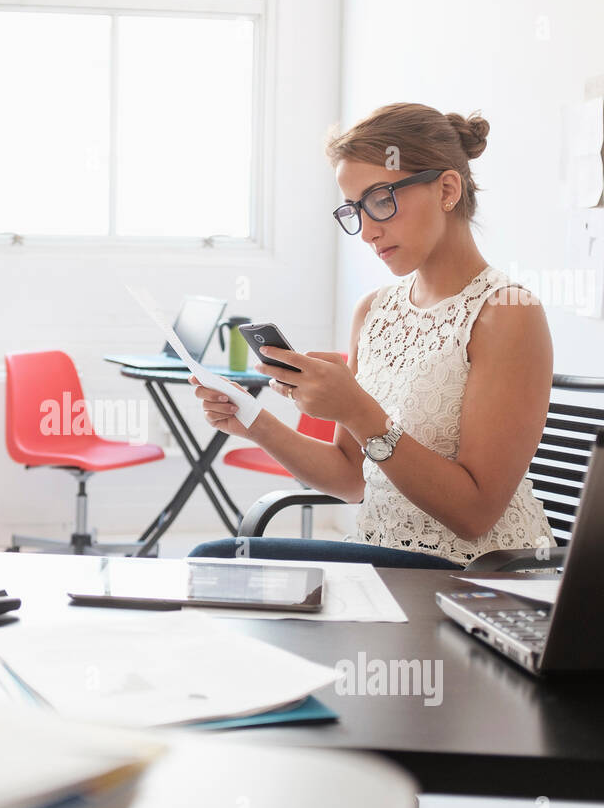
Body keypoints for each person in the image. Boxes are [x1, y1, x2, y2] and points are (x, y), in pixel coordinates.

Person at [189, 102, 556, 569]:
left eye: (381, 201)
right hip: (382, 560)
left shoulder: (508, 313)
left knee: (213, 559)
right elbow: (352, 478)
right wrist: (254, 423)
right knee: (214, 566)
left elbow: (475, 514)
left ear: (447, 188)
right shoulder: (375, 311)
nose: (366, 231)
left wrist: (357, 410)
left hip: (475, 574)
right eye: (354, 210)